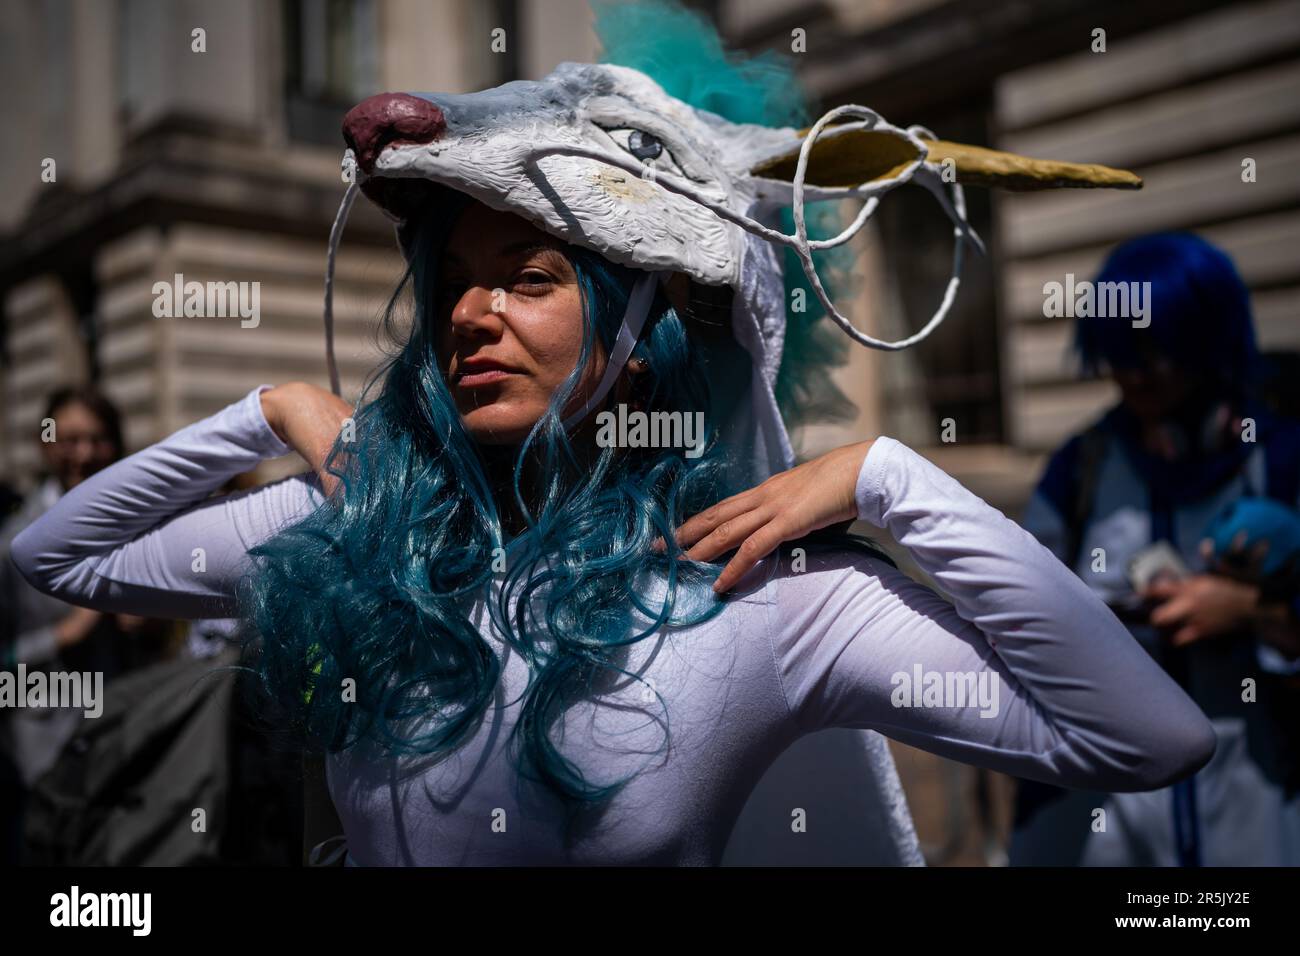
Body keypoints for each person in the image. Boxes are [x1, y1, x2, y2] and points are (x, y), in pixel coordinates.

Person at [8, 2, 1211, 865]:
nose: (470, 315)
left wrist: (888, 479)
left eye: (526, 276)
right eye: (452, 284)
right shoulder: (358, 519)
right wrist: (262, 413)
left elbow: (1147, 735)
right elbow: (55, 558)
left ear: (640, 330)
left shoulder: (771, 593)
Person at [1009, 232, 1300, 866]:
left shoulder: (1281, 457)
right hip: (1107, 821)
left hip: (1262, 808)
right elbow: (1015, 612)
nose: (1132, 374)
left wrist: (1254, 611)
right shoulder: (1079, 469)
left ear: (1206, 340)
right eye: (1117, 352)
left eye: (1153, 351)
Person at [0, 386, 166, 863]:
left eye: (98, 439)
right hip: (40, 755)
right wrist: (61, 636)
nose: (85, 453)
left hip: (125, 743)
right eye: (70, 439)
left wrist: (152, 623)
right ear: (45, 445)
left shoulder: (138, 522)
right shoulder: (14, 537)